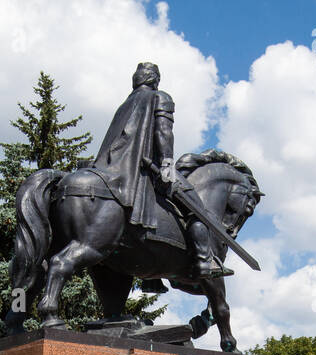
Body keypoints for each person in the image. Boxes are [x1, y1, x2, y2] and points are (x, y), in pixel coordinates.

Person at [91, 62, 230, 287]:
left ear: (136, 81)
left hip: (115, 167)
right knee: (197, 207)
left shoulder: (125, 105)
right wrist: (166, 165)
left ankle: (151, 280)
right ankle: (204, 261)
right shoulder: (159, 98)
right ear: (155, 80)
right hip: (145, 168)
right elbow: (163, 133)